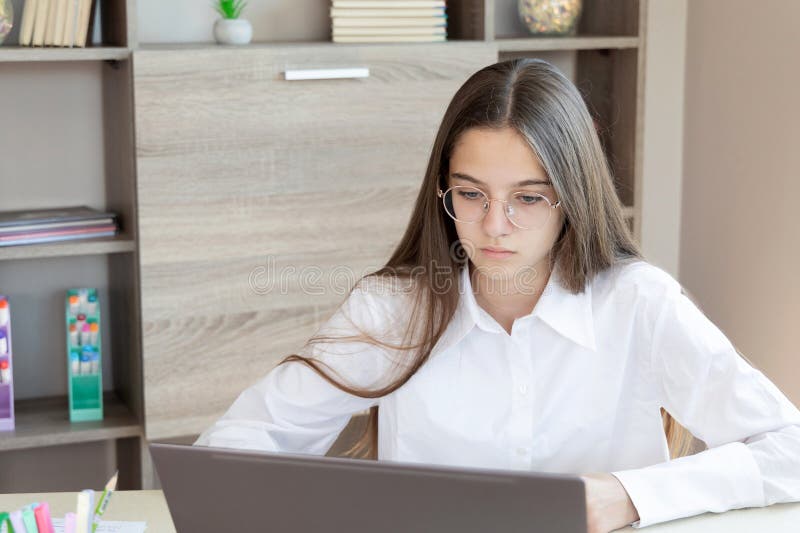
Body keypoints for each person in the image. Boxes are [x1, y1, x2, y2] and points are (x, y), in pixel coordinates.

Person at [195, 58, 800, 532]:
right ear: (443, 193)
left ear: (574, 197)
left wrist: (628, 496)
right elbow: (231, 450)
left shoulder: (639, 304)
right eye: (470, 194)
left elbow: (789, 450)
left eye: (529, 197)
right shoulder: (393, 309)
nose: (495, 225)